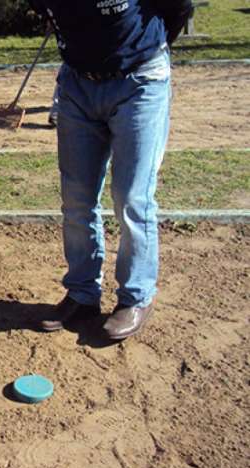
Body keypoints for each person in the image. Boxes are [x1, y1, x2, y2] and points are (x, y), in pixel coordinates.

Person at [29, 0, 194, 339]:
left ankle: (136, 297)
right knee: (77, 198)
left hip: (140, 82)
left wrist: (140, 51)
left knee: (132, 197)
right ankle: (82, 293)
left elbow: (178, 9)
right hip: (77, 85)